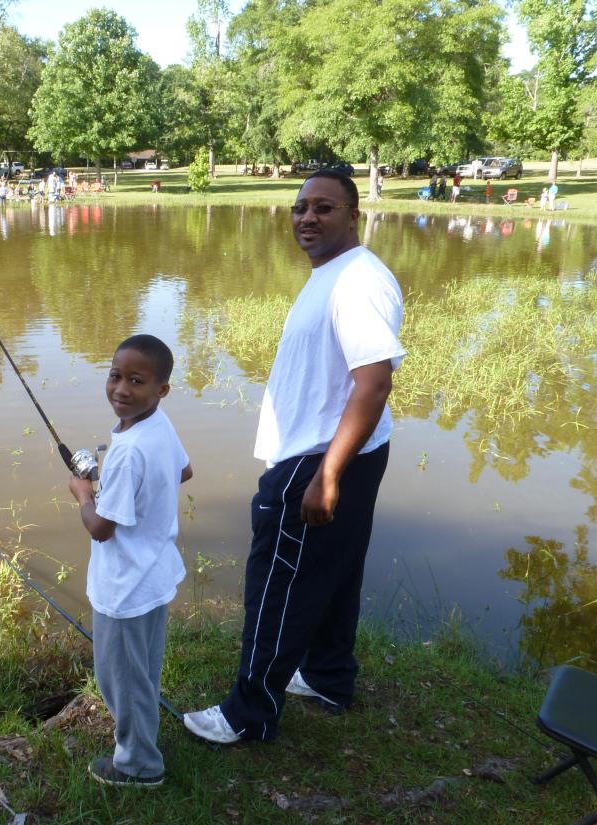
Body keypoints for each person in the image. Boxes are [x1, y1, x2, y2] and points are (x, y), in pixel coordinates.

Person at [182, 168, 406, 745]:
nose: (308, 217)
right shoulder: (336, 273)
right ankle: (329, 676)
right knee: (335, 571)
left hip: (321, 457)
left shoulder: (357, 282)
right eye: (301, 207)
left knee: (276, 582)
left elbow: (374, 383)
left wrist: (327, 475)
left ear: (353, 215)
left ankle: (248, 713)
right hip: (342, 452)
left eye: (324, 207)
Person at [68, 334, 193, 787]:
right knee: (141, 672)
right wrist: (122, 487)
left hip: (124, 589)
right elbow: (183, 471)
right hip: (154, 576)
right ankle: (142, 743)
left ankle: (139, 766)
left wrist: (84, 493)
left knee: (121, 680)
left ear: (162, 388)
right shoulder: (157, 424)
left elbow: (101, 528)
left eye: (136, 381)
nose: (121, 389)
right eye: (115, 376)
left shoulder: (127, 451)